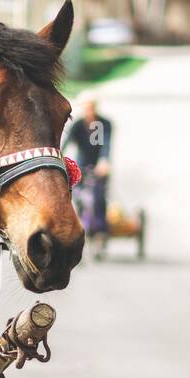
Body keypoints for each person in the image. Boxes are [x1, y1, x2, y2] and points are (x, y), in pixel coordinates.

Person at [64, 92, 113, 259]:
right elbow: (66, 143)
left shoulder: (104, 124)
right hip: (81, 168)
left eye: (91, 107)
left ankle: (100, 234)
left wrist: (104, 161)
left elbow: (105, 144)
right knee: (76, 198)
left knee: (99, 199)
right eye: (86, 107)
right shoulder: (78, 125)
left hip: (99, 168)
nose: (89, 111)